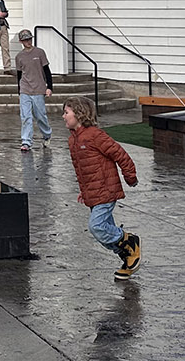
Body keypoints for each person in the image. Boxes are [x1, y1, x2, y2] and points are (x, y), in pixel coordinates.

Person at [64, 96, 141, 281]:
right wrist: (84, 191)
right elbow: (82, 170)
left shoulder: (95, 135)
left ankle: (129, 241)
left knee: (97, 226)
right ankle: (127, 256)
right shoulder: (73, 141)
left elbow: (120, 154)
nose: (63, 116)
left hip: (106, 190)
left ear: (79, 114)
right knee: (105, 230)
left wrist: (130, 177)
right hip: (93, 193)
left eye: (66, 112)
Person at [14, 29, 52, 151]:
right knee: (25, 116)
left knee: (40, 116)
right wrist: (19, 91)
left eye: (29, 39)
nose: (28, 42)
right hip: (25, 88)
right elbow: (19, 75)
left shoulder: (40, 52)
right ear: (21, 41)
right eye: (25, 40)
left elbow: (47, 70)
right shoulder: (19, 57)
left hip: (38, 88)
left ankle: (46, 135)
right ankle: (26, 141)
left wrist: (49, 87)